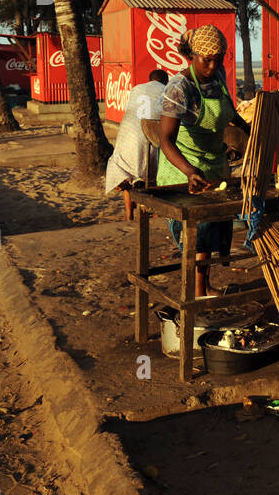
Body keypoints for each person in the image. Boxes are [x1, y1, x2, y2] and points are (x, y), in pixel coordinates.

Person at [157, 25, 250, 297]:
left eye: (218, 59)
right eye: (206, 60)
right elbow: (165, 140)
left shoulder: (218, 76)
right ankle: (198, 292)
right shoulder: (179, 88)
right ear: (192, 56)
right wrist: (189, 171)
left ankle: (204, 285)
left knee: (214, 231)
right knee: (199, 233)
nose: (213, 65)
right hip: (184, 167)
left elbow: (229, 112)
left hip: (214, 165)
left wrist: (248, 129)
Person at [106, 69, 170, 219]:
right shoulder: (166, 90)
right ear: (165, 81)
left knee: (127, 176)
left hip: (129, 135)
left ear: (149, 80)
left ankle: (129, 215)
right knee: (154, 175)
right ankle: (155, 213)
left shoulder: (136, 89)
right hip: (151, 135)